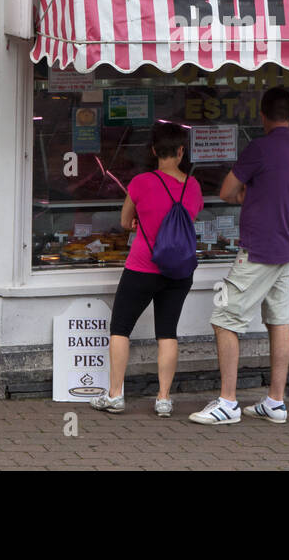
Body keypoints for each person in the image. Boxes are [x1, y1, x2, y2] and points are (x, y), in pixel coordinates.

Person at [190, 87, 289, 426]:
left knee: (224, 318)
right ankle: (275, 401)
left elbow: (227, 190)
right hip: (287, 246)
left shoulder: (259, 148)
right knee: (278, 321)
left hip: (258, 249)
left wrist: (247, 195)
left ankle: (228, 402)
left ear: (262, 115)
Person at [91, 121, 203, 417]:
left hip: (142, 266)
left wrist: (143, 220)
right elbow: (189, 216)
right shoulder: (193, 186)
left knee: (120, 329)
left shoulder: (141, 182)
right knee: (167, 332)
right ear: (181, 151)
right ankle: (164, 399)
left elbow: (126, 221)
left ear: (154, 151)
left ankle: (115, 395)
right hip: (179, 271)